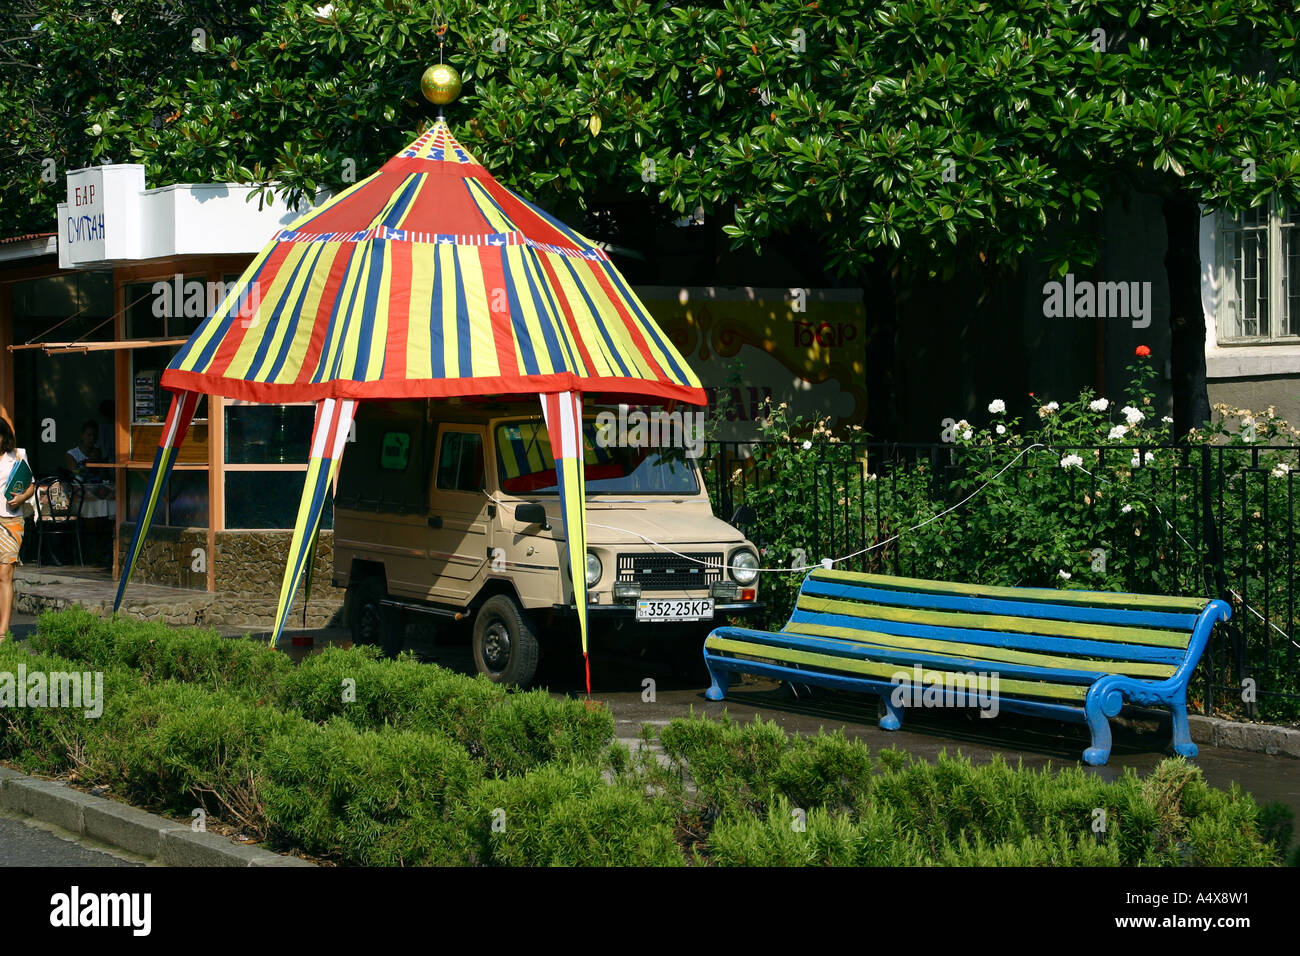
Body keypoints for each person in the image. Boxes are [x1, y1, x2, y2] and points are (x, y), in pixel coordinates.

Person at [0, 419, 36, 640]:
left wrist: (21, 497)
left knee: (5, 573)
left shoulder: (17, 456)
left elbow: (30, 484)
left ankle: (3, 631)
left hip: (11, 521)